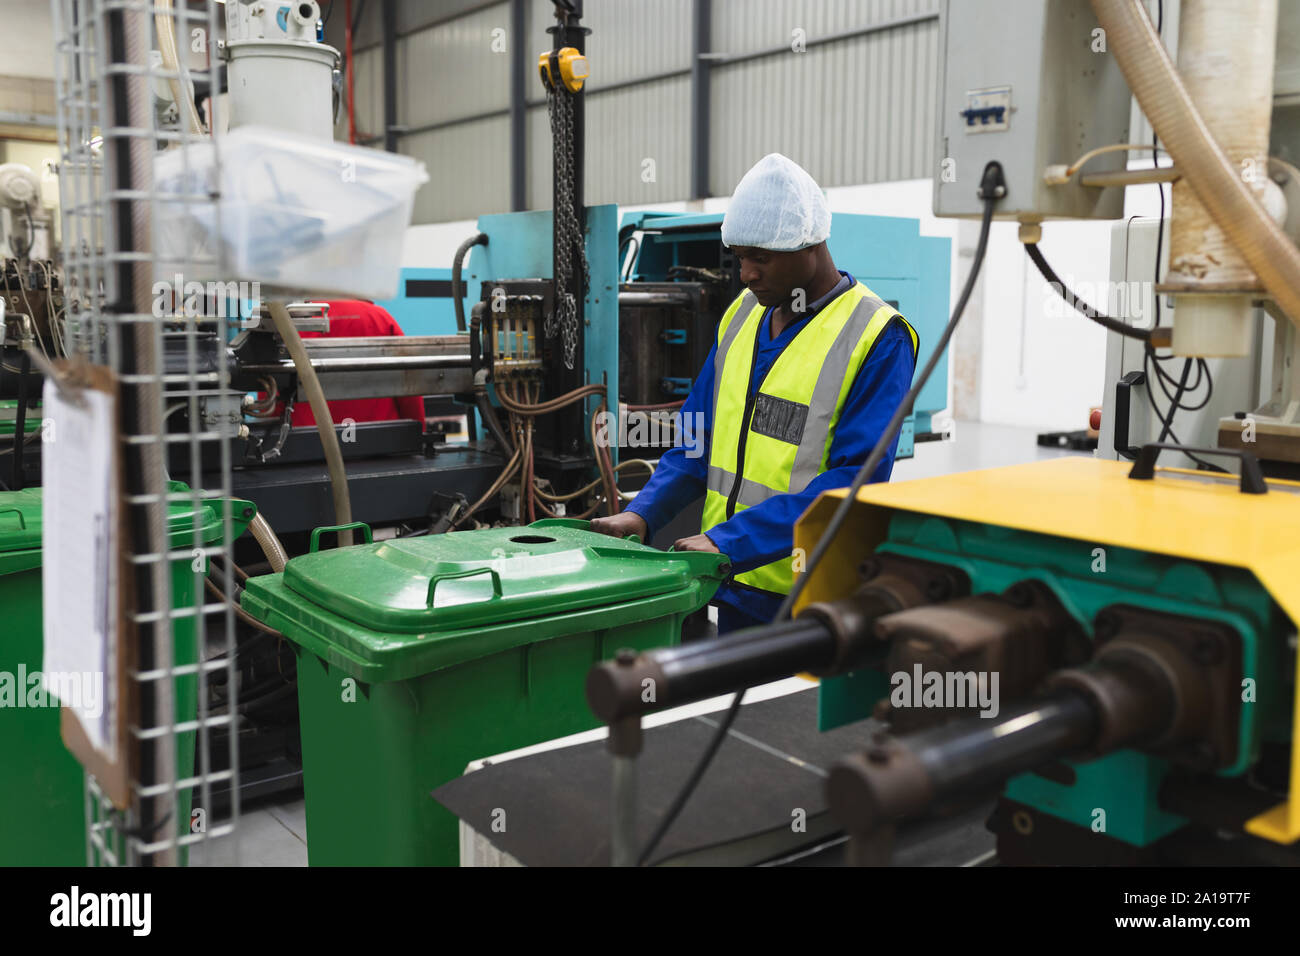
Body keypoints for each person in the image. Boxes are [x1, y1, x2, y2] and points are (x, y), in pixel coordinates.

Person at [591, 154, 919, 635]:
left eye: (761, 258)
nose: (745, 274)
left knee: (785, 710)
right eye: (740, 257)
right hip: (729, 581)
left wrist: (733, 540)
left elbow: (855, 480)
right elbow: (695, 439)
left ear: (812, 245)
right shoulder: (742, 315)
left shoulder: (876, 335)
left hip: (808, 590)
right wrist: (643, 513)